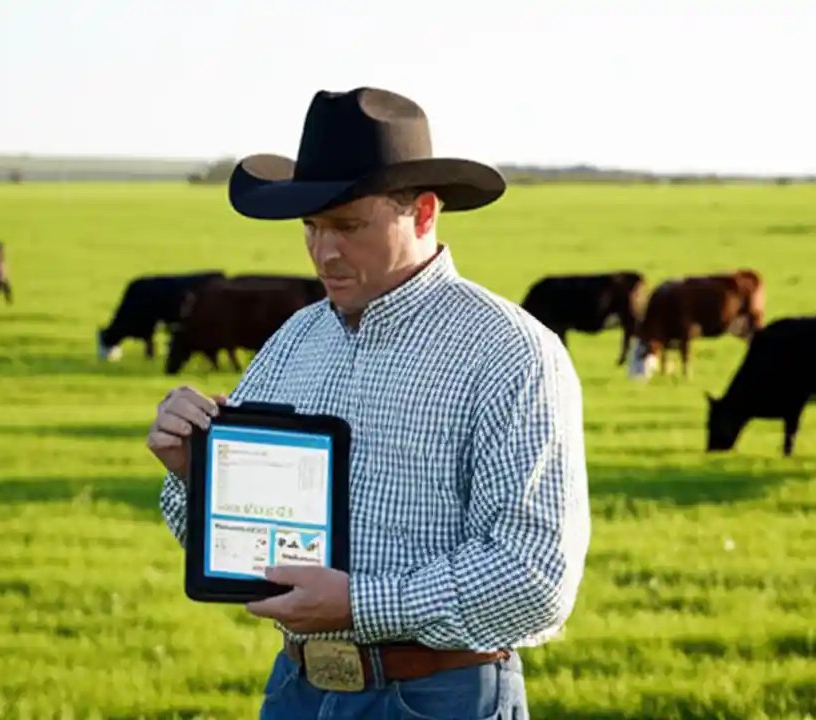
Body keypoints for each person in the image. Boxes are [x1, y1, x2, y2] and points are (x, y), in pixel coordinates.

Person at [146, 86, 591, 719]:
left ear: (425, 213)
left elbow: (534, 580)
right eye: (311, 226)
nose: (324, 252)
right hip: (296, 691)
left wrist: (360, 604)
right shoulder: (294, 340)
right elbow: (238, 553)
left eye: (349, 226)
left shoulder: (510, 353)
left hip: (440, 698)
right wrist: (196, 474)